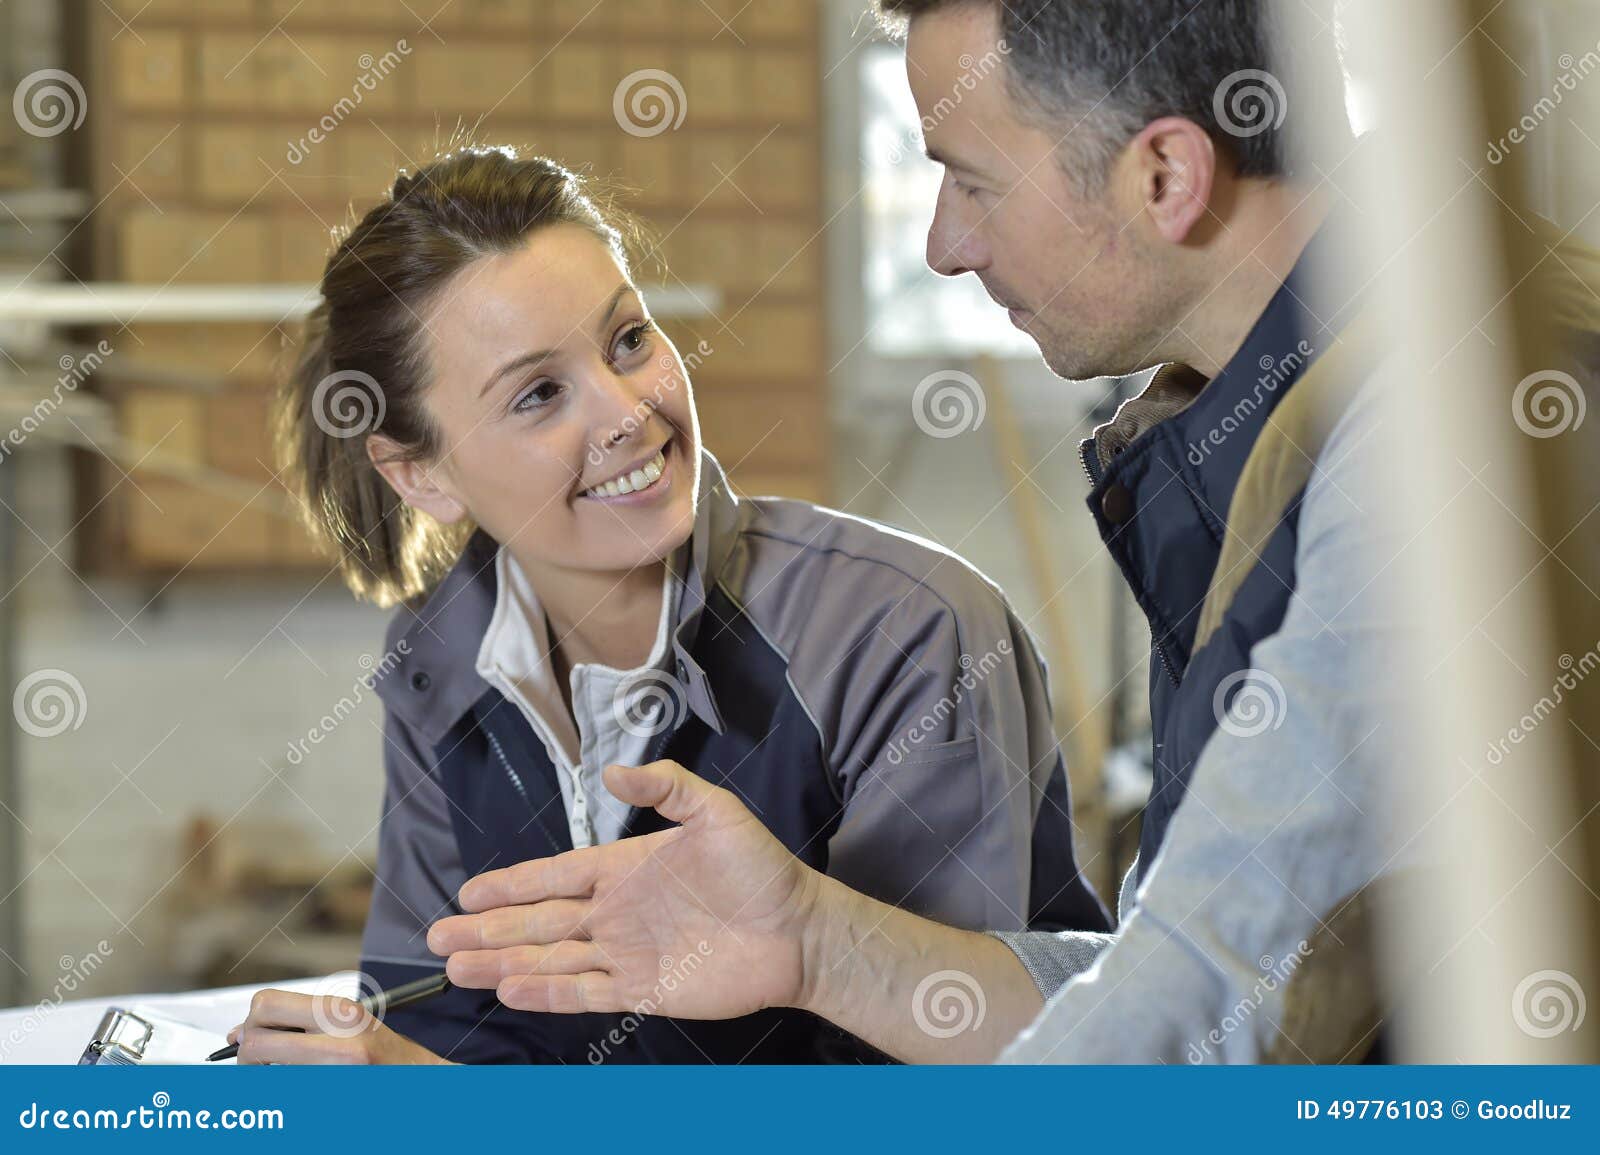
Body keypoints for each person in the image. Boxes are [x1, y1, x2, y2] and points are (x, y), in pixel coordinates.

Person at [422, 0, 1425, 1063]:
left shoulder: (1425, 442)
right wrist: (812, 943)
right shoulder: (1260, 428)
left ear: (1166, 177)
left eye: (974, 181)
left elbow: (1201, 1027)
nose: (946, 245)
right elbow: (1165, 977)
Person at [224, 145, 1108, 1064]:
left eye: (629, 339)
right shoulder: (438, 656)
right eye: (538, 394)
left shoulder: (907, 634)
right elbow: (443, 1013)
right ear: (420, 473)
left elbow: (958, 1080)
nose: (625, 413)